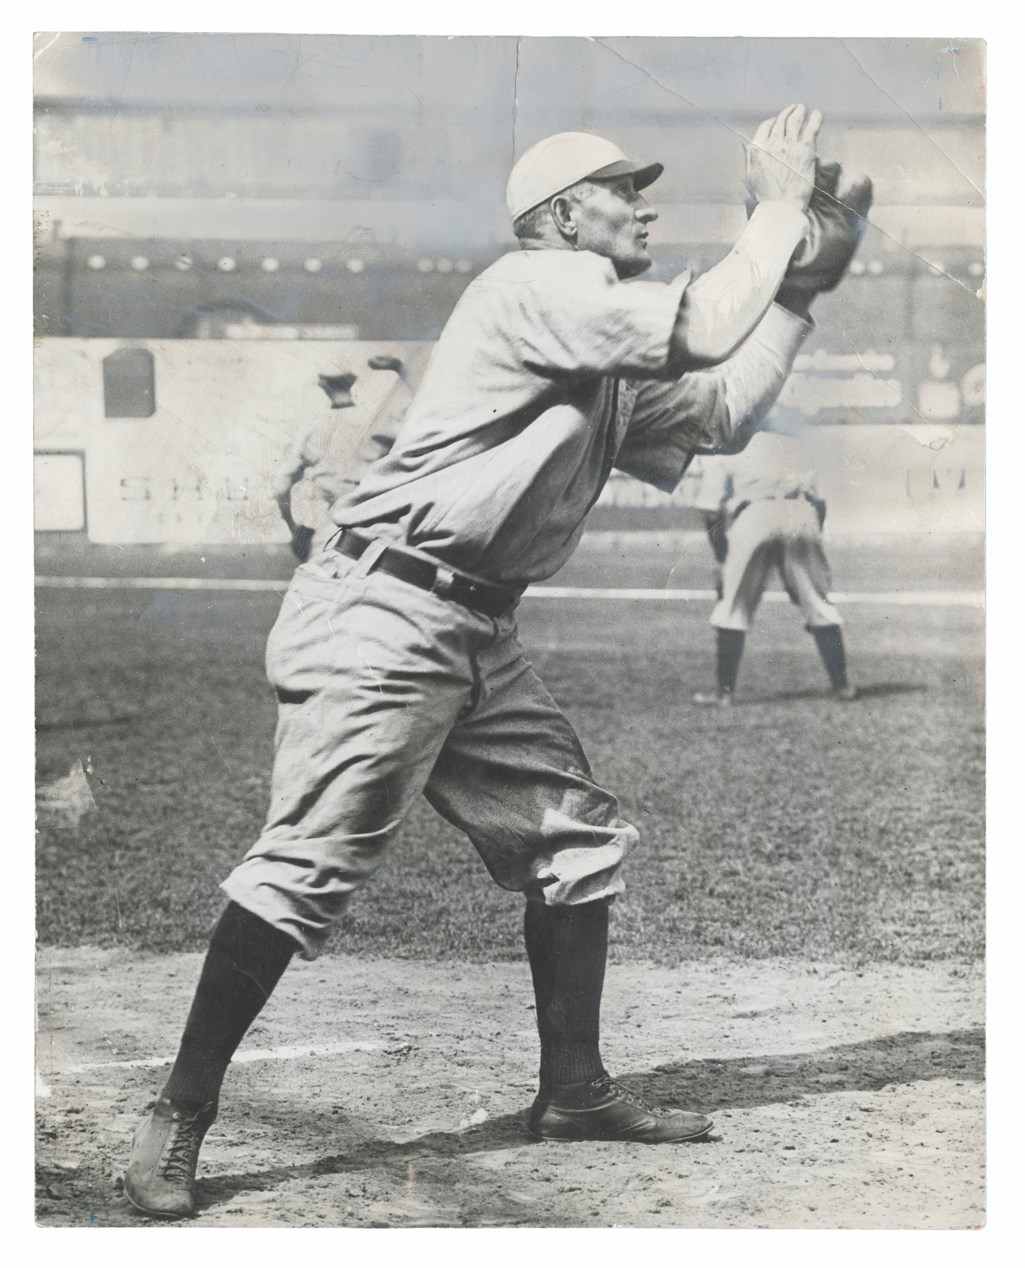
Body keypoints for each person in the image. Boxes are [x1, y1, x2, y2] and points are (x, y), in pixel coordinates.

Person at [125, 106, 857, 1219]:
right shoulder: (535, 287)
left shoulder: (601, 337)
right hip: (382, 606)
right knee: (311, 864)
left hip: (471, 623)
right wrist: (771, 210)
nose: (644, 202)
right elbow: (707, 323)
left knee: (573, 835)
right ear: (562, 218)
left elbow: (718, 412)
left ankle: (573, 1089)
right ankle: (176, 1113)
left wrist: (801, 289)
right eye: (623, 188)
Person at [690, 431, 858, 706]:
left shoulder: (730, 447)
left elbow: (711, 511)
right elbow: (821, 504)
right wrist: (808, 555)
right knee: (819, 604)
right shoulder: (797, 444)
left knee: (733, 607)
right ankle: (843, 687)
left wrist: (722, 556)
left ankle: (724, 694)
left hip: (755, 515)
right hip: (801, 513)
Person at [273, 357, 412, 562]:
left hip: (322, 523)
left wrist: (294, 529)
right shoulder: (374, 422)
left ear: (322, 386)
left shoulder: (313, 427)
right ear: (352, 382)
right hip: (367, 521)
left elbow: (280, 487)